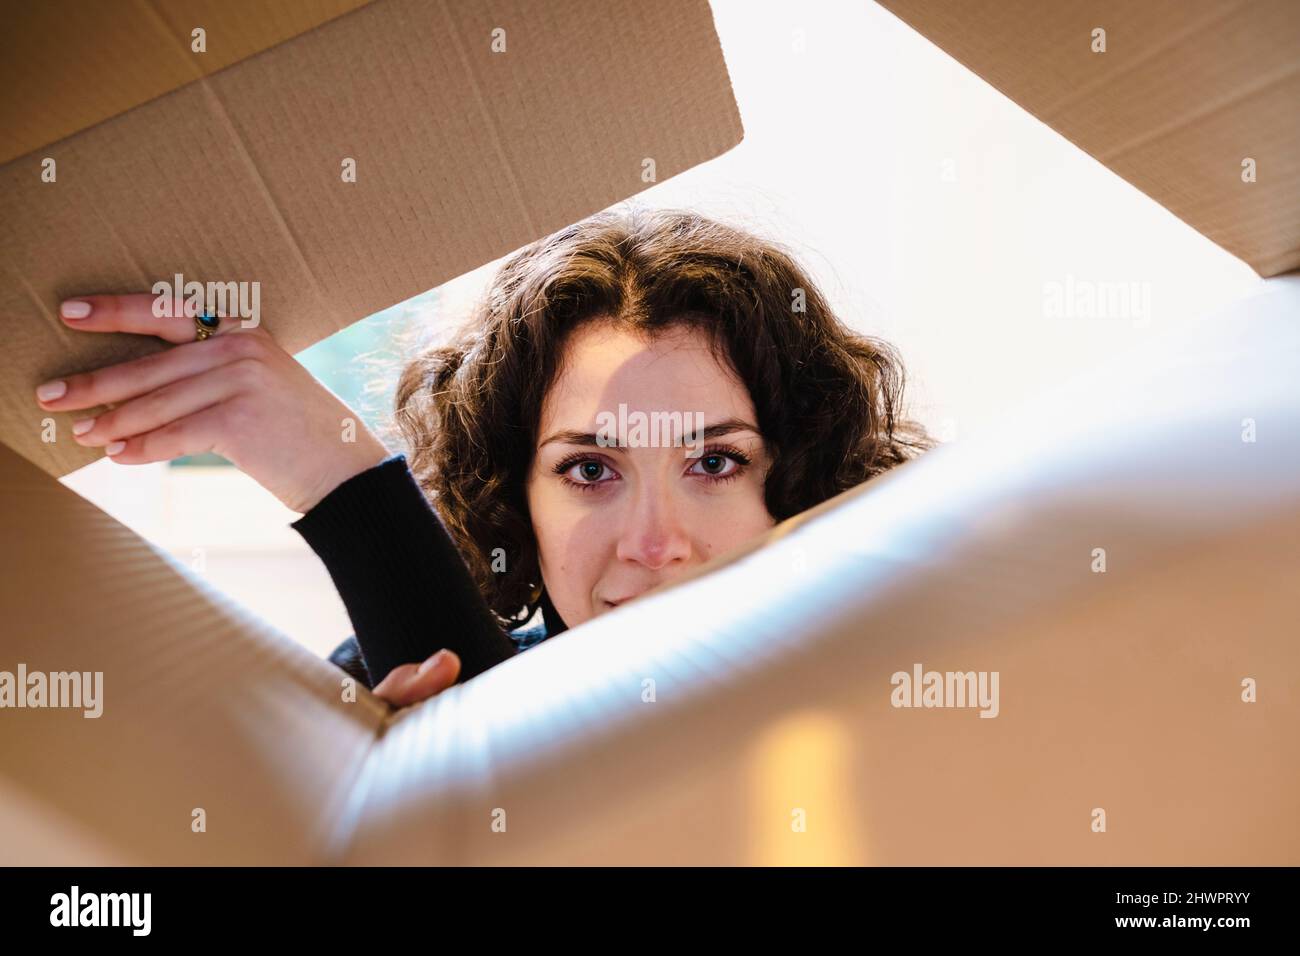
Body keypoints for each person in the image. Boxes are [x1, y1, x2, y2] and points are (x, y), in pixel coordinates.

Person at [34, 208, 932, 709]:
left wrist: (338, 478)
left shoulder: (900, 687)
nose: (655, 547)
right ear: (515, 502)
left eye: (715, 464)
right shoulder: (395, 680)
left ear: (800, 480)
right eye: (589, 470)